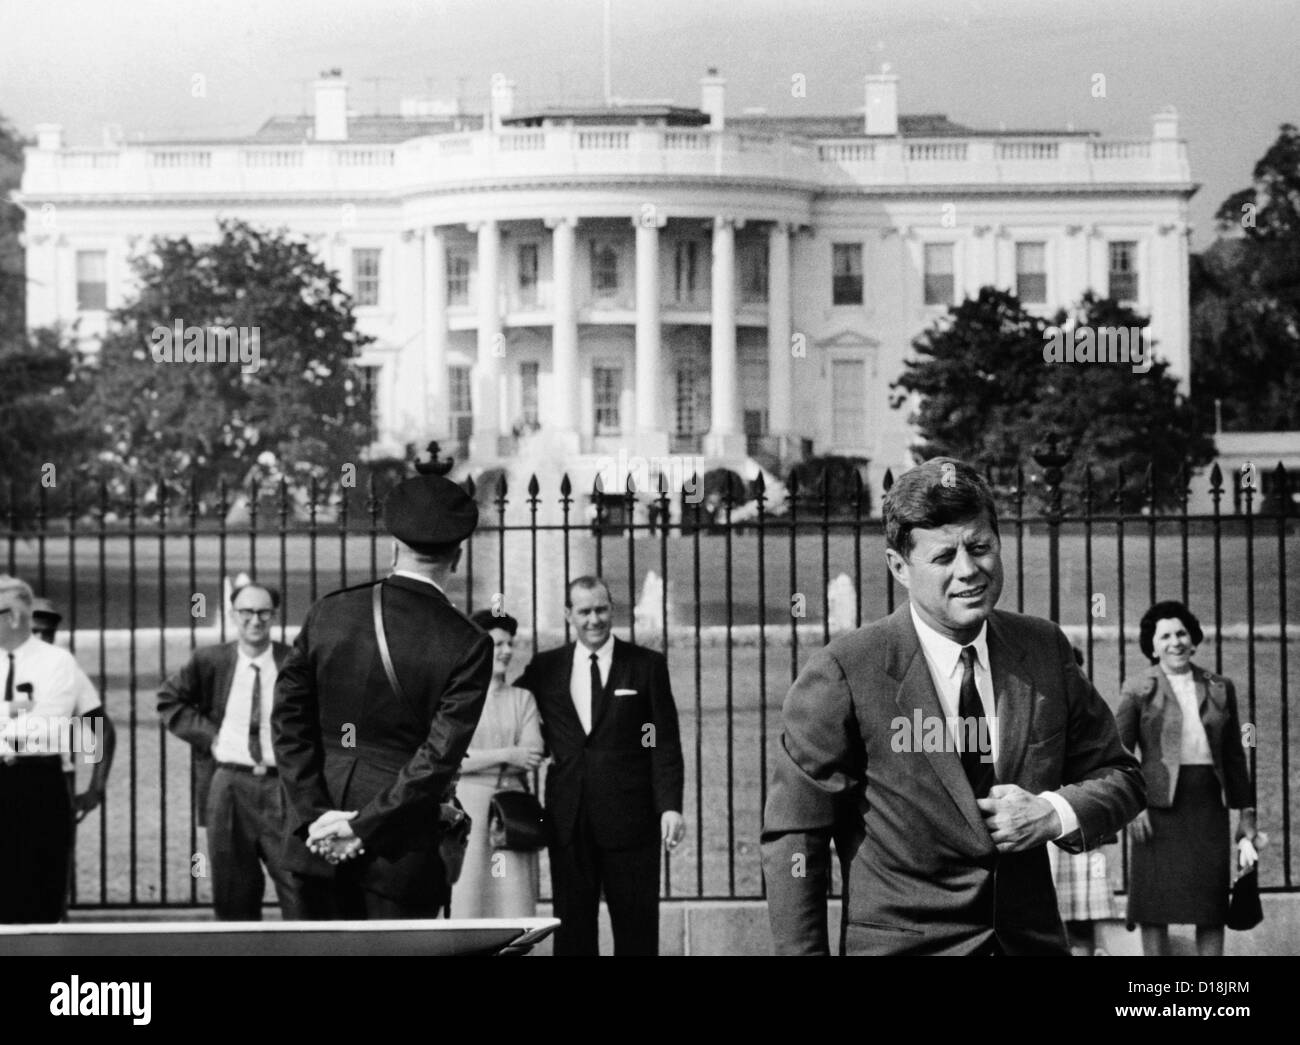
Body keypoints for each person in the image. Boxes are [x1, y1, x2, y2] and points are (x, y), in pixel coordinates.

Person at [761, 457, 1145, 955]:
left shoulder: (1044, 649)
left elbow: (1123, 777)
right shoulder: (845, 672)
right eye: (944, 557)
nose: (969, 570)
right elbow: (796, 840)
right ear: (900, 567)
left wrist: (1052, 813)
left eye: (980, 547)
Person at [273, 473, 494, 919]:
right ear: (458, 555)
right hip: (399, 847)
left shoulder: (329, 611)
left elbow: (287, 724)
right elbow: (438, 757)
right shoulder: (467, 642)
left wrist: (318, 817)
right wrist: (362, 828)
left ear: (393, 544)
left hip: (314, 837)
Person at [514, 576, 685, 956]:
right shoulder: (546, 668)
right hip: (567, 819)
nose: (594, 619)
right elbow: (510, 710)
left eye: (601, 609)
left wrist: (670, 805)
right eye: (585, 611)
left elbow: (659, 741)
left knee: (636, 928)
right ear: (569, 615)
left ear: (612, 609)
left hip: (633, 819)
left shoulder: (645, 666)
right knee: (572, 929)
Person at [1115, 600, 1257, 957]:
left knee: (1209, 906)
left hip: (1207, 807)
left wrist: (1247, 816)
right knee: (1153, 906)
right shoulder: (1137, 688)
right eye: (1165, 636)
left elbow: (1235, 757)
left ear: (1193, 639)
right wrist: (1133, 808)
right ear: (1152, 646)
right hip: (1155, 810)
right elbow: (1118, 754)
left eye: (1181, 633)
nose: (1175, 642)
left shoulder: (1219, 686)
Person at [158, 581, 301, 920]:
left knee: (299, 889)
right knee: (233, 895)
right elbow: (169, 699)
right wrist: (211, 736)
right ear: (233, 615)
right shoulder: (211, 660)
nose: (255, 620)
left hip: (282, 788)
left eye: (264, 612)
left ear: (275, 615)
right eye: (247, 612)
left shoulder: (293, 662)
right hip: (229, 785)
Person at [0, 576, 112, 922]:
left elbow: (95, 724)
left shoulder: (58, 664)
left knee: (43, 886)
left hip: (43, 780)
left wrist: (95, 786)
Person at [450, 610, 544, 919]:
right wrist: (505, 755)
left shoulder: (523, 698)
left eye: (510, 644)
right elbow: (450, 760)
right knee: (468, 898)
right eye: (498, 644)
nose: (506, 651)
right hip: (468, 811)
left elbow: (532, 753)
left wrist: (477, 760)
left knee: (513, 901)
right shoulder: (457, 700)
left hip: (510, 813)